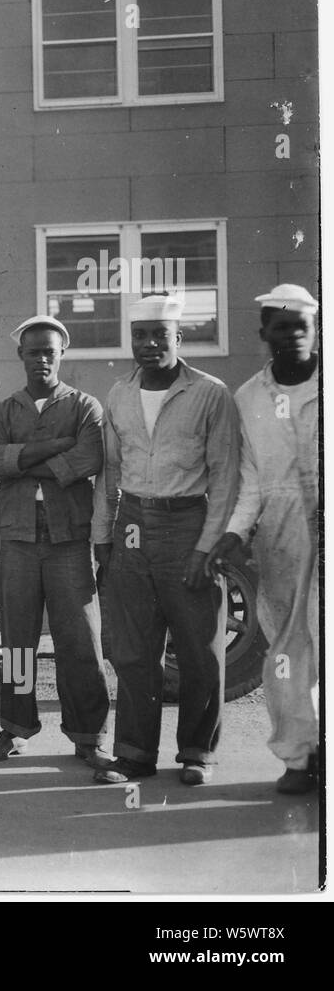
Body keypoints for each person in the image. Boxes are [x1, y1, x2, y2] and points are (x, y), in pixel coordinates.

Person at [92, 295, 240, 787]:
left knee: (200, 647)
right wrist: (103, 537)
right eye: (140, 335)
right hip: (133, 521)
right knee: (135, 649)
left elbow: (225, 477)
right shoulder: (118, 394)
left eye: (160, 335)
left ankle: (198, 752)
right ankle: (134, 754)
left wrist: (208, 547)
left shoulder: (210, 394)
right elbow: (110, 472)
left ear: (179, 338)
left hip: (189, 522)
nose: (149, 344)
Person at [0, 317, 110, 767]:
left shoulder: (84, 406)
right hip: (17, 535)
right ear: (21, 356)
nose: (42, 359)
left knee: (80, 638)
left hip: (68, 537)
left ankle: (88, 735)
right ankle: (14, 729)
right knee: (16, 639)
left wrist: (20, 462)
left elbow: (89, 456)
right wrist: (55, 447)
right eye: (34, 352)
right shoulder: (4, 411)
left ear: (62, 354)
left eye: (50, 351)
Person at [208, 285, 320, 795]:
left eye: (303, 325)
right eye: (282, 326)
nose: (294, 335)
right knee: (286, 651)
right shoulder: (250, 398)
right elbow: (250, 481)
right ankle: (299, 757)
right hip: (280, 536)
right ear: (263, 335)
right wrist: (234, 534)